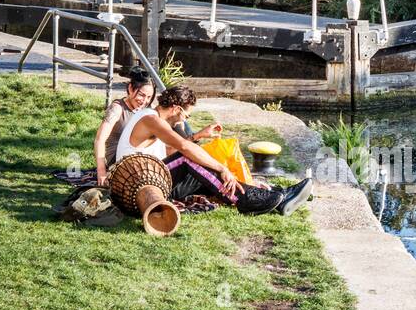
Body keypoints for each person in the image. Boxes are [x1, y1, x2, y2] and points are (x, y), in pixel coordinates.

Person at [116, 85, 313, 216]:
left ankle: (276, 194)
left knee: (202, 169)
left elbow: (170, 152)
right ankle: (246, 199)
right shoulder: (152, 120)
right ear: (176, 108)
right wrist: (221, 168)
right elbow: (183, 149)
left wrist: (199, 137)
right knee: (191, 160)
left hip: (150, 179)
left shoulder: (154, 119)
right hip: (138, 184)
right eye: (186, 115)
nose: (185, 120)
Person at [93, 66, 157, 186]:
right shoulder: (117, 108)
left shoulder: (148, 109)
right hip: (117, 158)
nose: (145, 101)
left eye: (149, 97)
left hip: (138, 155)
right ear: (130, 88)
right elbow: (99, 140)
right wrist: (101, 171)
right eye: (142, 95)